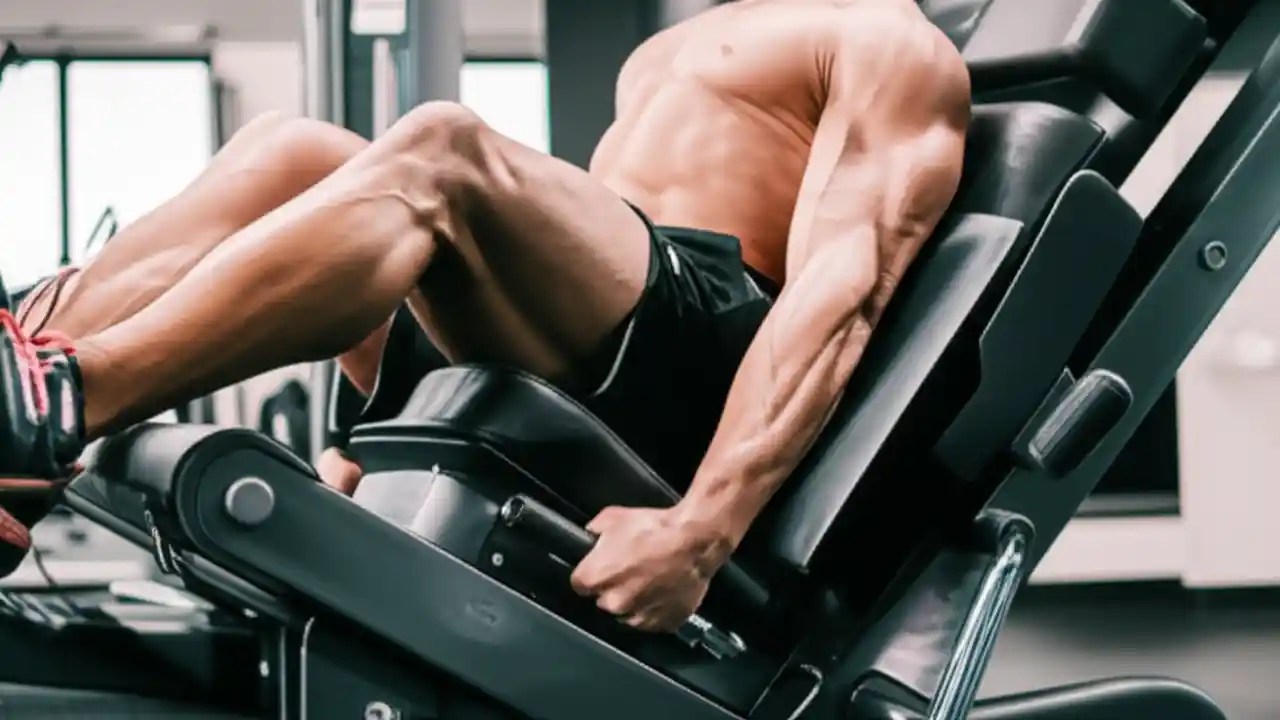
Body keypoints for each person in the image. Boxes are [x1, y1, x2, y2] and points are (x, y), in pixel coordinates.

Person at [0, 0, 969, 632]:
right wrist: (359, 445)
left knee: (444, 149)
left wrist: (704, 529)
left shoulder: (890, 42)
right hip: (593, 350)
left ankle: (58, 403)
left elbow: (841, 294)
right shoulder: (683, 43)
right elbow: (580, 249)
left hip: (697, 363)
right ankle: (27, 405)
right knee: (292, 149)